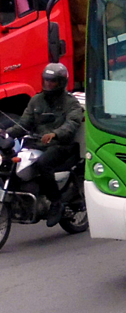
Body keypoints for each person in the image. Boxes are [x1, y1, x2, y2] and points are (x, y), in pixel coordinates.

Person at [4, 63, 83, 227]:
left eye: (52, 81)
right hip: (38, 143)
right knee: (13, 161)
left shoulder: (70, 102)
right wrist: (7, 133)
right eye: (46, 80)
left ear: (61, 82)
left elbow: (72, 124)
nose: (48, 84)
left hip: (62, 145)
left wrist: (55, 134)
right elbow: (23, 123)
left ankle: (56, 202)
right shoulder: (36, 100)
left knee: (43, 164)